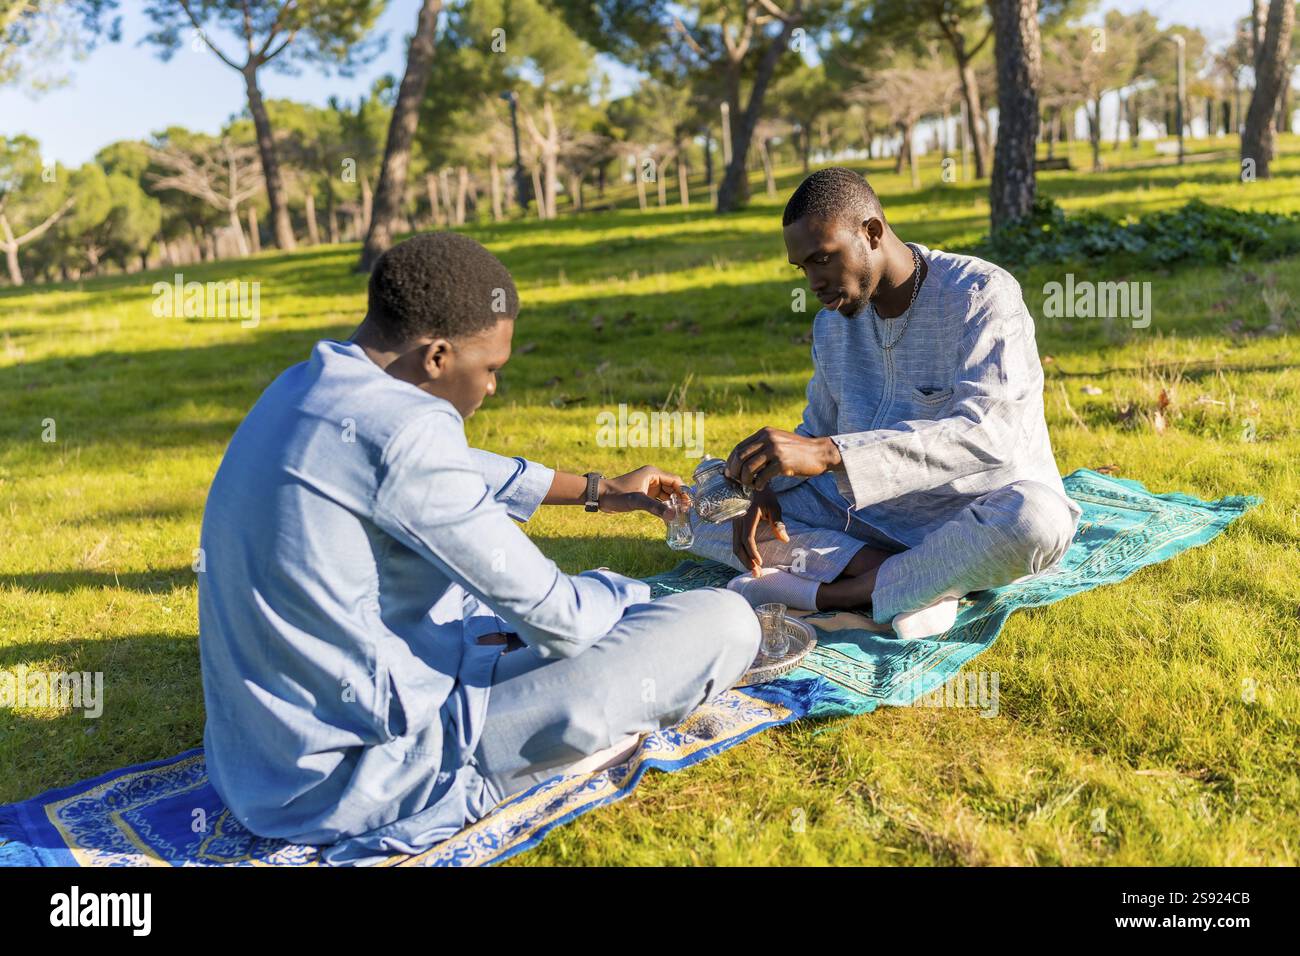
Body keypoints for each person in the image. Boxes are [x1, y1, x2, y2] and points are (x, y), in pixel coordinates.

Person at [197, 232, 759, 865]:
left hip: (254, 766)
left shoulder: (306, 386)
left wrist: (600, 490)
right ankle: (496, 772)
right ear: (437, 356)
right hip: (360, 781)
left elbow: (457, 468)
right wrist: (625, 592)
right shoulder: (406, 433)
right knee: (722, 621)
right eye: (490, 369)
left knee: (476, 595)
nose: (491, 388)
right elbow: (565, 623)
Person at [685, 167, 1081, 640]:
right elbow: (819, 428)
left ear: (872, 232)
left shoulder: (979, 295)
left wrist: (831, 453)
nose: (813, 282)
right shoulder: (833, 323)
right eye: (803, 268)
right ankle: (917, 580)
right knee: (701, 511)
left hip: (975, 513)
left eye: (823, 259)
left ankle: (836, 595)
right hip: (866, 521)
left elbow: (988, 434)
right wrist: (766, 480)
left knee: (1038, 520)